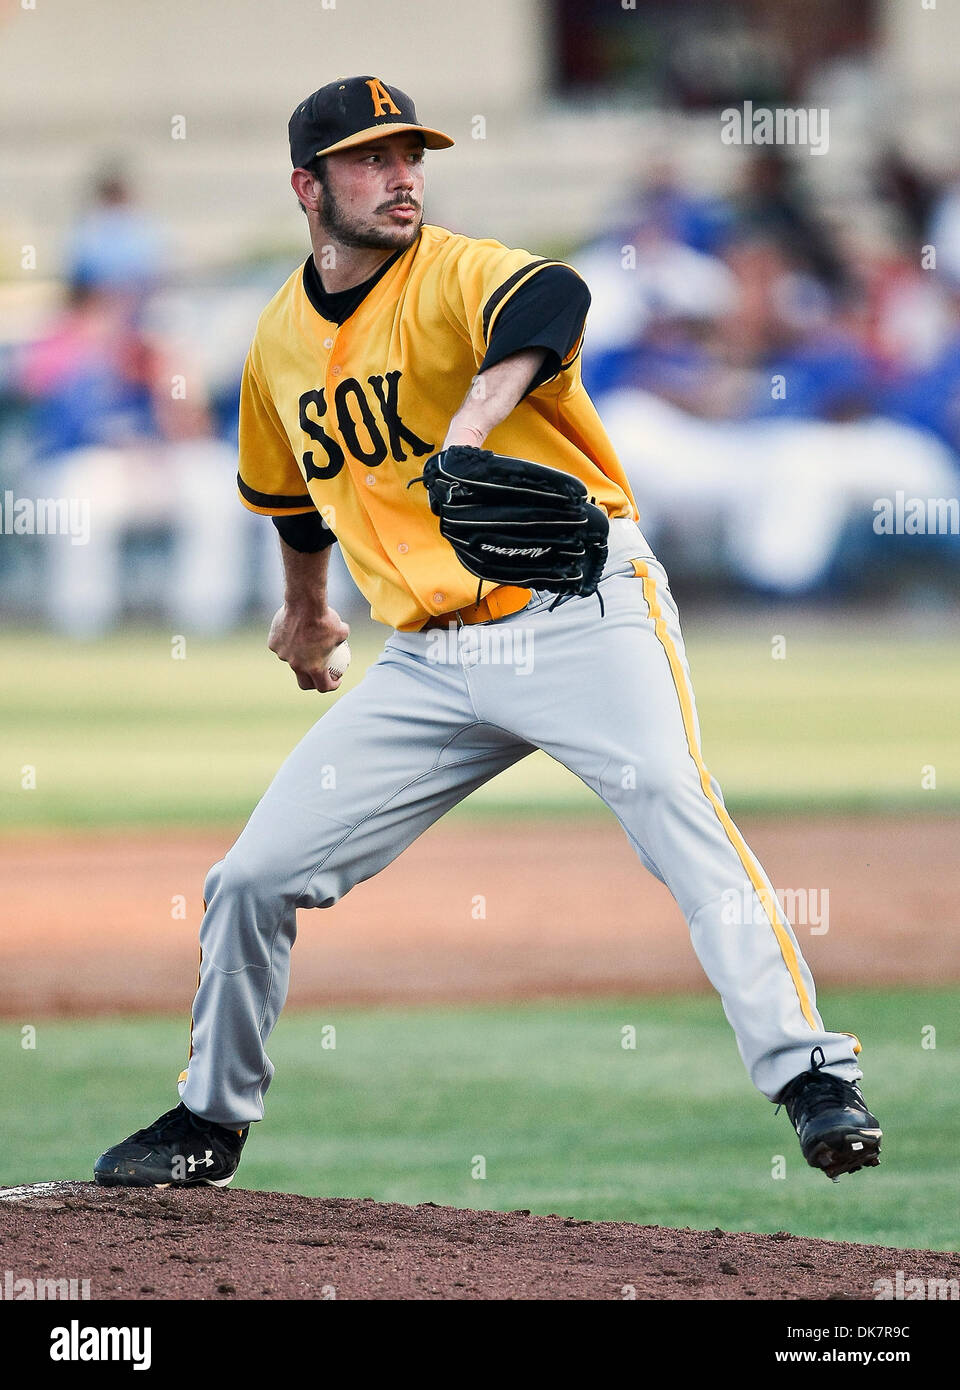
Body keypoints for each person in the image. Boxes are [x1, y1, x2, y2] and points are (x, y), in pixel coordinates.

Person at [94, 76, 881, 1191]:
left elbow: (553, 296)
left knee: (674, 805)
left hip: (580, 615)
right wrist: (307, 607)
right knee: (253, 876)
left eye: (410, 153)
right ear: (306, 187)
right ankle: (206, 1120)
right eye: (371, 159)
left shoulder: (458, 272)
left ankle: (813, 1078)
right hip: (426, 659)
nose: (401, 174)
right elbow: (290, 496)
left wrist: (471, 420)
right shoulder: (276, 340)